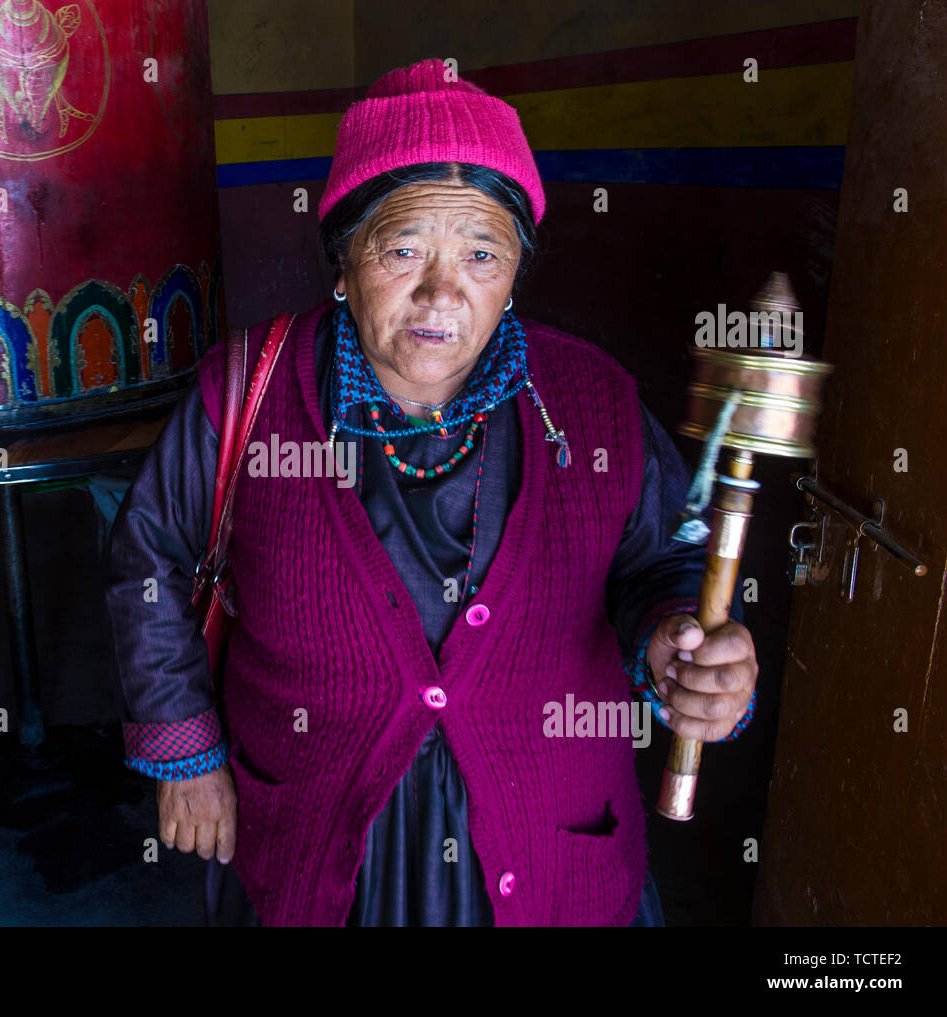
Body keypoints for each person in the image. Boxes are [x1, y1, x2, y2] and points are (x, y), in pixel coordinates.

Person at [103, 57, 758, 926]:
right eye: (404, 248)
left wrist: (679, 639)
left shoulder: (593, 400)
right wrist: (186, 753)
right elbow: (149, 552)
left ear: (517, 269)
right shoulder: (247, 394)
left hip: (549, 836)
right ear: (344, 261)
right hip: (316, 830)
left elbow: (660, 560)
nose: (442, 291)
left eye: (482, 252)